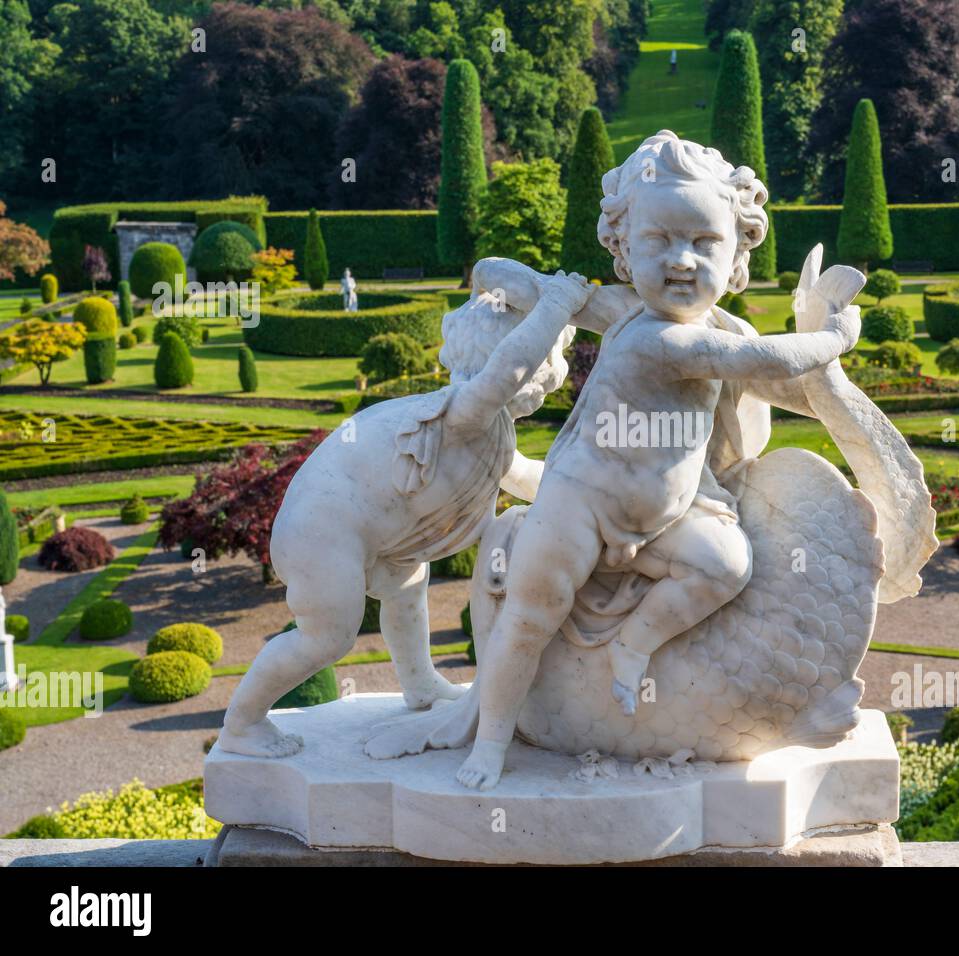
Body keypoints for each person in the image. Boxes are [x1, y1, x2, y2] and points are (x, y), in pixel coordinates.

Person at [450, 131, 861, 791]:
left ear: (735, 256)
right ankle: (492, 742)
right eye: (658, 241)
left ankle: (634, 644)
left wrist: (824, 367)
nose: (681, 261)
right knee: (530, 612)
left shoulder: (721, 332)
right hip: (582, 503)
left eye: (704, 244)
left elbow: (774, 380)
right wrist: (833, 338)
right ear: (620, 247)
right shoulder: (653, 332)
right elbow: (760, 364)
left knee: (726, 564)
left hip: (670, 515)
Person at [215, 266, 593, 758]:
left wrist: (591, 495)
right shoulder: (468, 410)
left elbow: (522, 477)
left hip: (374, 533)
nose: (550, 382)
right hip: (323, 532)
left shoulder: (491, 427)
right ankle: (242, 723)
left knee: (409, 587)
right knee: (326, 636)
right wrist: (555, 306)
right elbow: (508, 374)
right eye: (548, 363)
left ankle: (420, 686)